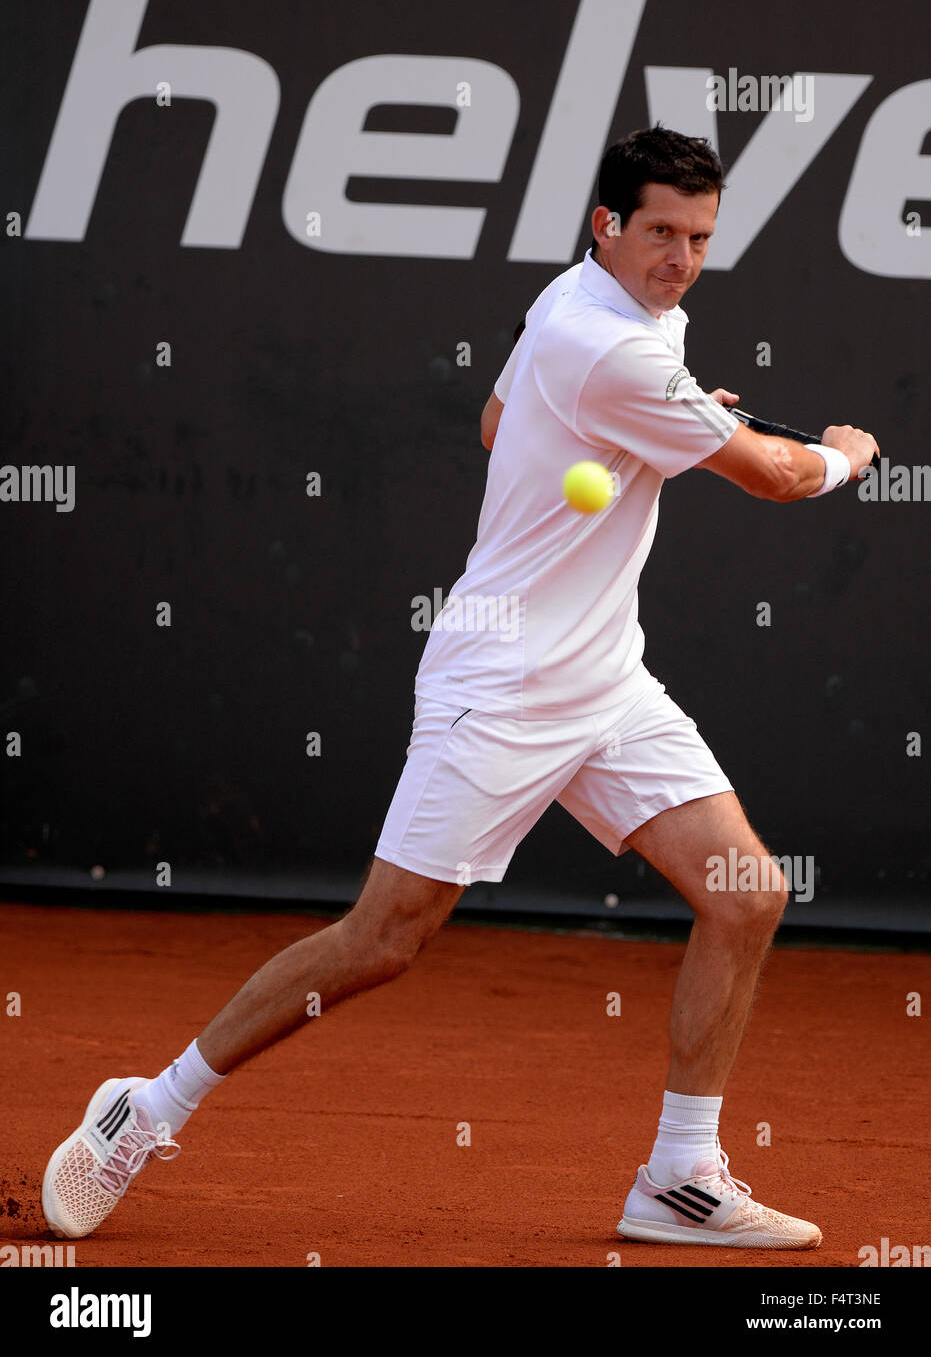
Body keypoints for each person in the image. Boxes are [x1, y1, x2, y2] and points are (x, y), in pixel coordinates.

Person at [42, 126, 879, 1251]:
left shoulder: (603, 315)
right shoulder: (612, 346)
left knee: (745, 894)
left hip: (604, 679)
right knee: (385, 937)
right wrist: (843, 454)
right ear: (607, 226)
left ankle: (678, 1175)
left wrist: (665, 420)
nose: (680, 258)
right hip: (499, 687)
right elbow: (778, 478)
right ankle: (145, 1107)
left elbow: (498, 426)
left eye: (698, 239)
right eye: (661, 234)